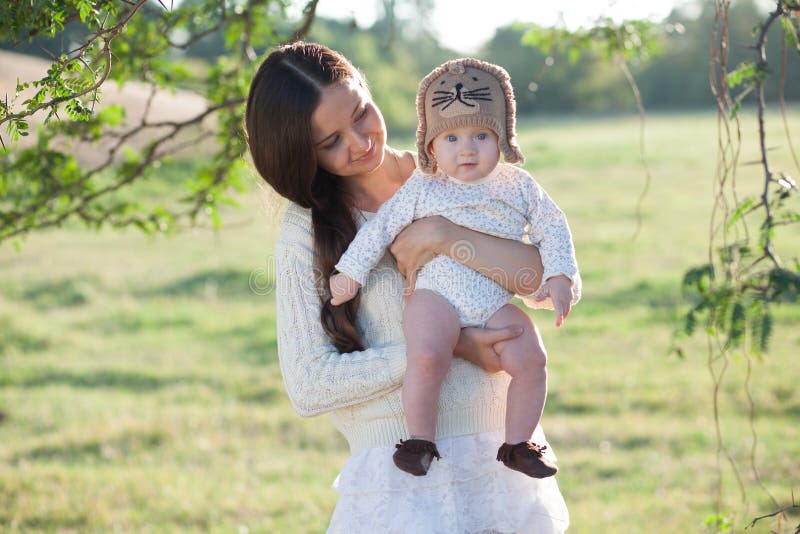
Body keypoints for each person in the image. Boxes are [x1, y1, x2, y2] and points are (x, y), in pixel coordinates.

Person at [245, 41, 574, 533]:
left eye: (361, 113)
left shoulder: (458, 165)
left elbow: (536, 281)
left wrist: (446, 236)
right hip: (402, 482)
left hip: (499, 463)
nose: (359, 143)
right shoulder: (307, 230)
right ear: (300, 154)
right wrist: (448, 345)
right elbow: (309, 385)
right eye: (330, 141)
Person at [329, 57, 580, 480]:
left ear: (502, 138)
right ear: (430, 146)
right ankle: (419, 440)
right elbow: (381, 230)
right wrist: (350, 273)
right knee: (427, 353)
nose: (467, 148)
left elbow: (553, 226)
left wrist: (560, 274)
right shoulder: (422, 187)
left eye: (481, 134)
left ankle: (520, 444)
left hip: (493, 299)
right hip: (435, 294)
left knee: (532, 356)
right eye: (452, 138)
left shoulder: (518, 186)